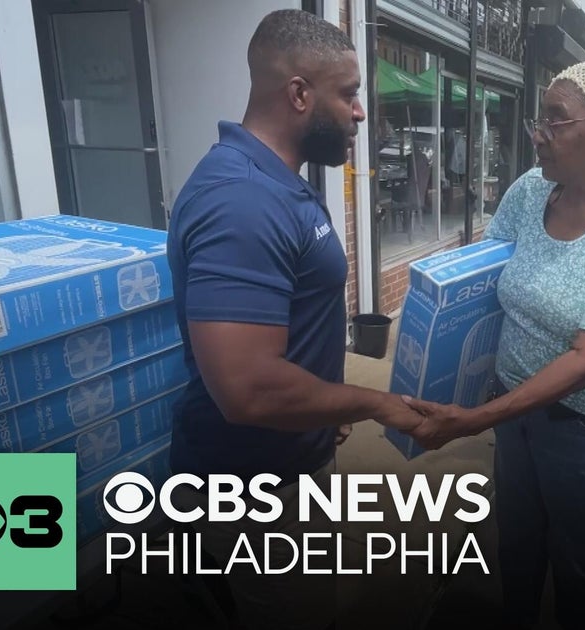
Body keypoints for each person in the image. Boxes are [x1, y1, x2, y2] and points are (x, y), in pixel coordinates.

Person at [165, 11, 423, 629]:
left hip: (287, 462)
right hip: (254, 488)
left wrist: (322, 411)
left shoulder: (281, 183)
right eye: (349, 92)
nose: (361, 111)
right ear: (300, 94)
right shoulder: (243, 202)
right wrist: (373, 404)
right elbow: (249, 388)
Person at [397, 58, 585, 629]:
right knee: (518, 545)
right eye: (539, 117)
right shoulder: (531, 191)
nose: (537, 134)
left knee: (576, 564)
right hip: (516, 412)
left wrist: (472, 419)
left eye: (555, 120)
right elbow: (485, 278)